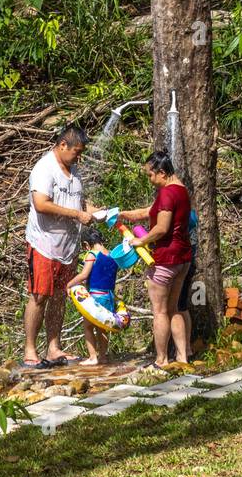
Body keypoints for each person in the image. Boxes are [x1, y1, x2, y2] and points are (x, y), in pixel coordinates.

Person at [23, 124, 94, 368]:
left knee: (60, 298)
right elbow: (41, 203)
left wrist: (98, 214)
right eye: (76, 151)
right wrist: (75, 214)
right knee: (39, 295)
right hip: (44, 243)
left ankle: (54, 347)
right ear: (62, 145)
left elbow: (81, 204)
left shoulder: (74, 171)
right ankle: (30, 350)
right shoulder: (45, 168)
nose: (79, 157)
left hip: (67, 247)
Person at [119, 151, 191, 367]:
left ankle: (161, 360)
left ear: (162, 173)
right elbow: (149, 212)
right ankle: (182, 357)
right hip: (182, 258)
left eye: (150, 175)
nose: (150, 180)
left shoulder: (167, 193)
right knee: (174, 308)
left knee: (159, 311)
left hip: (165, 259)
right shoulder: (181, 190)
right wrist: (120, 214)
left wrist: (141, 242)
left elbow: (161, 228)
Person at [66, 230, 120, 366]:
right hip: (108, 296)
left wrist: (70, 284)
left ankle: (92, 357)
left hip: (95, 296)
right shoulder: (112, 254)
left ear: (86, 245)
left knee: (88, 326)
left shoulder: (92, 254)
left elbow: (84, 275)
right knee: (102, 327)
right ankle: (102, 356)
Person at [176, 207, 199, 363]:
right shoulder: (190, 214)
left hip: (180, 264)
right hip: (189, 263)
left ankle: (181, 352)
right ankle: (187, 349)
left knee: (175, 308)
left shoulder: (181, 217)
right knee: (182, 306)